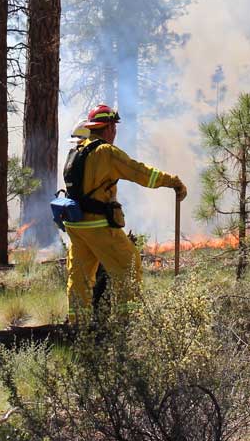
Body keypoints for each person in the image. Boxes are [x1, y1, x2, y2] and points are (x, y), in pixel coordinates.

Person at [61, 104, 186, 316]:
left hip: (75, 224)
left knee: (80, 276)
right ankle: (128, 323)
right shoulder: (106, 152)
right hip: (98, 224)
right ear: (109, 128)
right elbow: (141, 173)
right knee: (128, 267)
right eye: (114, 127)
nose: (115, 132)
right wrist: (172, 181)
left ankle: (77, 325)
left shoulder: (79, 149)